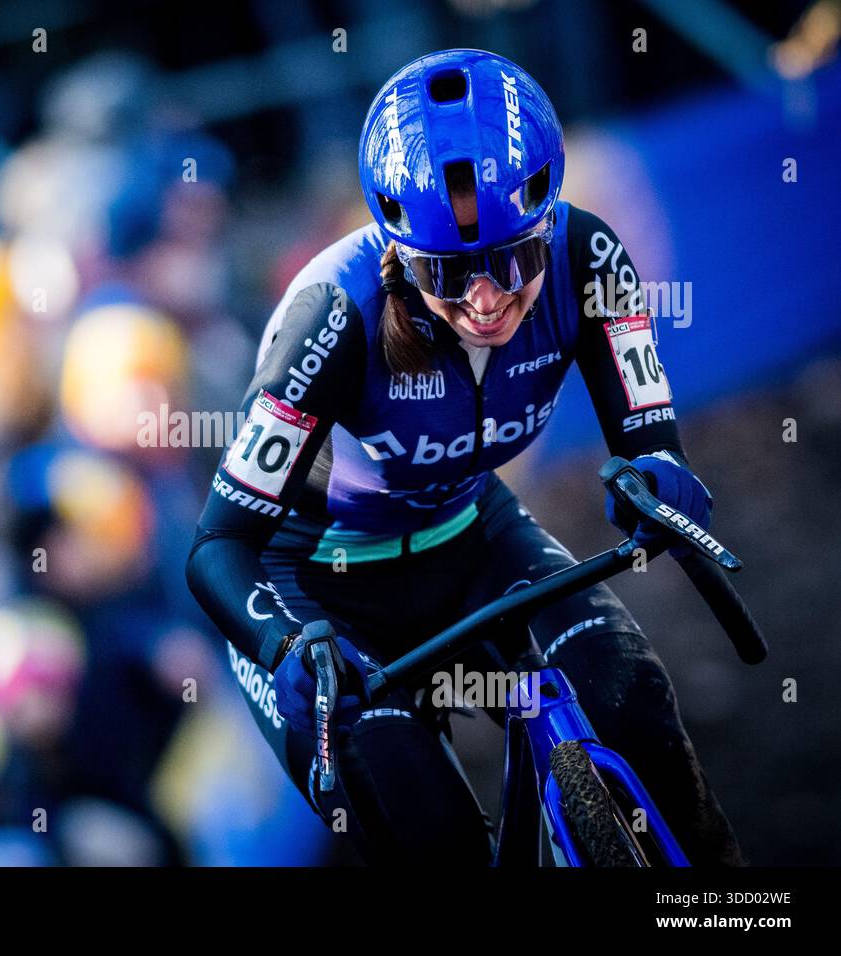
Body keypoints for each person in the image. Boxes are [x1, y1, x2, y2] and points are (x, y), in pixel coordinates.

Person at [185, 49, 743, 865]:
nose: (484, 301)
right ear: (398, 255)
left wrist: (661, 480)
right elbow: (215, 547)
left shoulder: (591, 261)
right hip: (312, 591)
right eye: (445, 272)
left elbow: (652, 447)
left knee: (633, 709)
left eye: (513, 259)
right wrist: (282, 644)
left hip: (469, 536)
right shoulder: (335, 316)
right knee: (428, 832)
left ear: (548, 218)